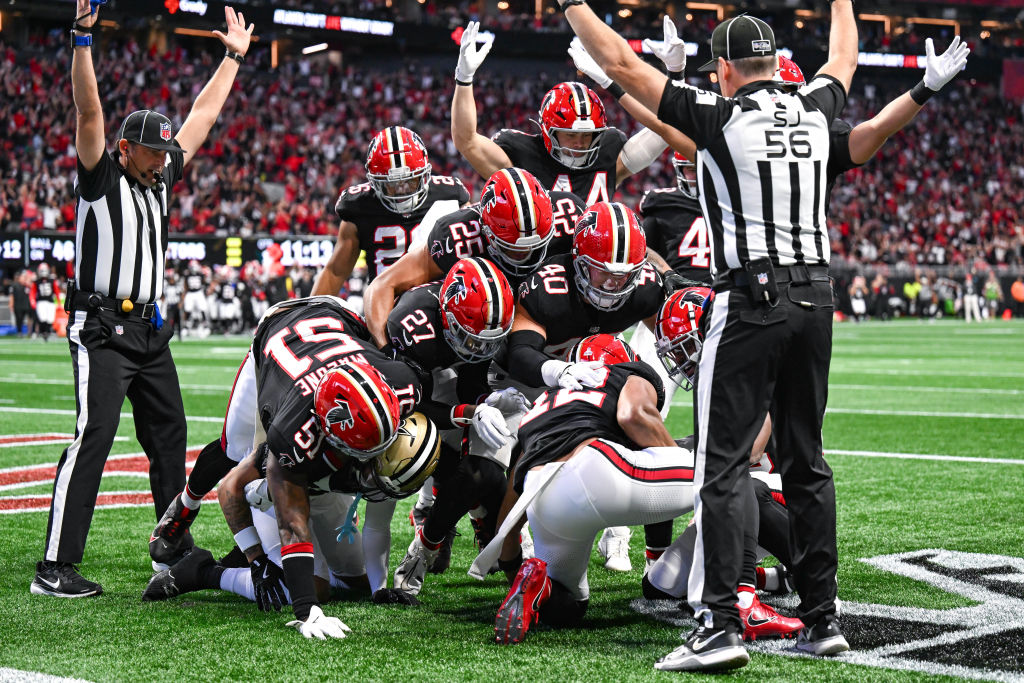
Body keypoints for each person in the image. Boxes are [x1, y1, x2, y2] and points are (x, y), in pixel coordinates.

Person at [557, 0, 858, 670]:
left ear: (722, 68)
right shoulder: (812, 107)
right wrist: (842, 2)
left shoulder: (722, 115)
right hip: (817, 298)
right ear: (776, 62)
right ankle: (823, 616)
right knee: (805, 462)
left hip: (752, 300)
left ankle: (717, 624)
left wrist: (573, 5)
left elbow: (620, 63)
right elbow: (843, 61)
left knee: (719, 465)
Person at [31, 0, 254, 598]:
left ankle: (169, 548)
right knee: (94, 433)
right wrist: (82, 40)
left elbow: (200, 121)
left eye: (163, 151)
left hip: (150, 330)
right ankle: (55, 566)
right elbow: (88, 111)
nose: (163, 159)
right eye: (153, 151)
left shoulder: (157, 179)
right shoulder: (102, 177)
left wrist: (232, 58)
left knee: (170, 434)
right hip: (102, 325)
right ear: (125, 149)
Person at [480, 334, 696, 645]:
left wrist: (515, 571)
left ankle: (539, 588)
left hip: (544, 501)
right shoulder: (626, 372)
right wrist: (682, 461)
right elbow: (634, 416)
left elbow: (507, 526)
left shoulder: (541, 405)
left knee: (569, 607)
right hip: (595, 468)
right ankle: (742, 593)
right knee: (726, 480)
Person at [506, 201, 668, 573]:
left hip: (598, 366)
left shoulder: (644, 289)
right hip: (541, 375)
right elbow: (520, 352)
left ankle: (621, 534)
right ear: (578, 262)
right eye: (602, 273)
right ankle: (516, 535)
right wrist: (557, 372)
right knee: (528, 448)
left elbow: (671, 325)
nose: (613, 284)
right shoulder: (549, 288)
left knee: (635, 430)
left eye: (624, 275)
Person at [451, 22, 672, 206]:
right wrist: (464, 79)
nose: (580, 143)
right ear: (549, 132)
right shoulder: (522, 156)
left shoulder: (608, 155)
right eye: (571, 135)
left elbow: (668, 128)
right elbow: (466, 140)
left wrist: (671, 77)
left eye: (587, 136)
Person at [362, 167, 583, 348]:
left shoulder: (571, 214)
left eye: (537, 245)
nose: (526, 255)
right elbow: (382, 284)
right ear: (486, 231)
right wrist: (385, 349)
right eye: (510, 247)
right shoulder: (457, 238)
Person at [311, 126, 469, 297]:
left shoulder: (449, 195)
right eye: (392, 184)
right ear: (375, 182)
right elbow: (336, 272)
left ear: (425, 175)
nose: (402, 190)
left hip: (440, 299)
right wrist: (310, 314)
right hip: (386, 305)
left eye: (411, 181)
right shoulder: (359, 207)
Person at [34, 263, 61, 341]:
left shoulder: (52, 280)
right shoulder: (37, 281)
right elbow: (33, 292)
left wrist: (58, 302)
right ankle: (44, 332)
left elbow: (56, 291)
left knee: (50, 319)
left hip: (50, 301)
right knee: (43, 318)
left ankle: (47, 332)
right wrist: (33, 302)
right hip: (41, 301)